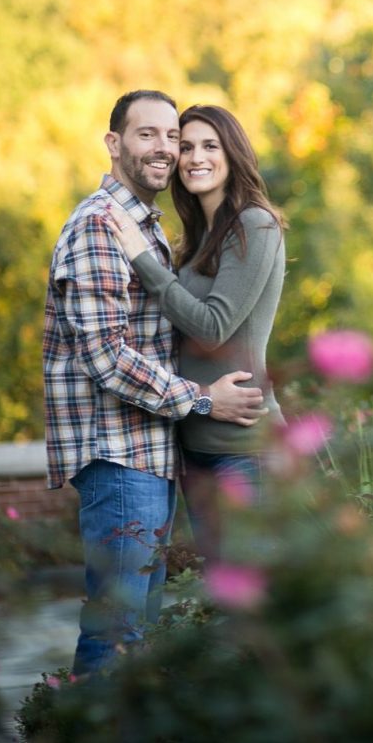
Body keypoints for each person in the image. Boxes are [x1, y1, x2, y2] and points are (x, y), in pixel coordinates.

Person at [43, 89, 267, 677]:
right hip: (119, 455)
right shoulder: (99, 226)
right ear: (114, 144)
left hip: (149, 453)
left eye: (174, 136)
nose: (166, 149)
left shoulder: (149, 230)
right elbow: (106, 356)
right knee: (118, 628)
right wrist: (201, 400)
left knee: (133, 628)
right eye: (150, 135)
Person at [103, 104, 287, 564]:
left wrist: (139, 255)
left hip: (245, 450)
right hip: (197, 449)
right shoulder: (198, 237)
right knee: (225, 598)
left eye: (210, 146)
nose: (194, 157)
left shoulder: (254, 224)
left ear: (233, 154)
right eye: (185, 147)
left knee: (255, 602)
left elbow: (212, 326)